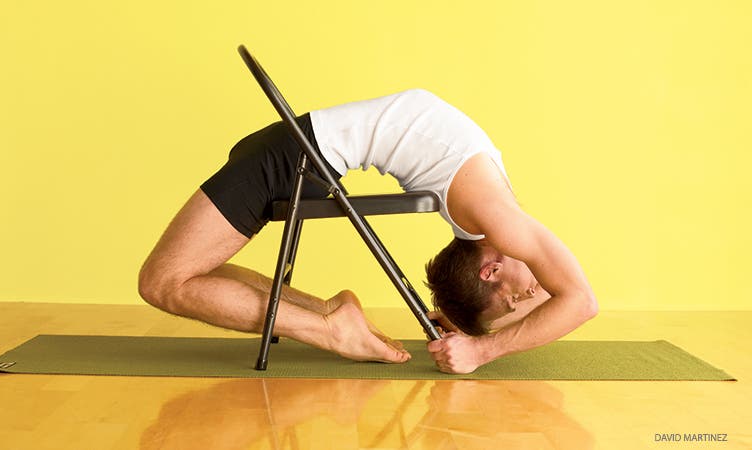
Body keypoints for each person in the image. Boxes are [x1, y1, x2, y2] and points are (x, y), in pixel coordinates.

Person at [138, 89, 598, 374]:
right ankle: (330, 319)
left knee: (164, 281)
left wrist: (472, 334)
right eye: (524, 294)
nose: (532, 288)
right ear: (491, 270)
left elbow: (566, 299)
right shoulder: (496, 213)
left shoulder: (488, 209)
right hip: (296, 152)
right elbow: (580, 300)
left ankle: (330, 325)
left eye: (519, 298)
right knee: (178, 278)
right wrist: (481, 351)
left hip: (295, 154)